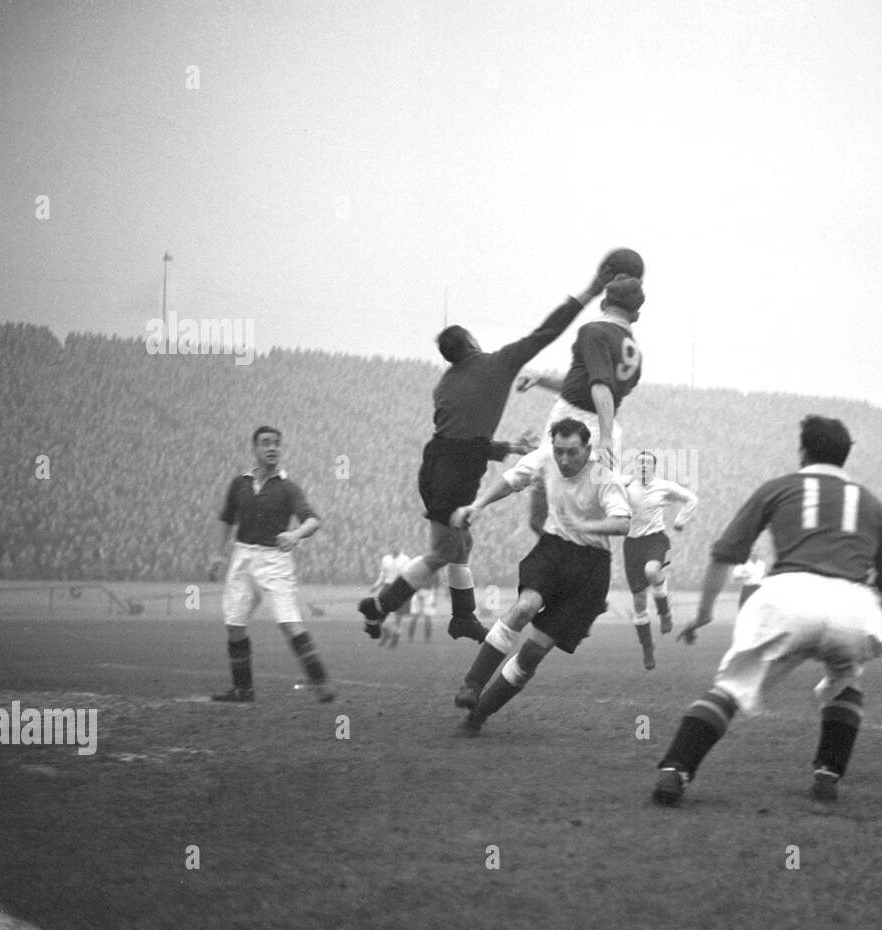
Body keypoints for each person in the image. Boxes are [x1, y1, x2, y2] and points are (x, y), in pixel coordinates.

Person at [652, 415, 882, 806]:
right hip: (853, 604)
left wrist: (704, 613)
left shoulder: (779, 488)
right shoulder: (872, 504)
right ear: (845, 456)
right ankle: (828, 775)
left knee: (732, 688)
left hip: (788, 596)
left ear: (802, 451)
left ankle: (675, 771)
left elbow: (725, 552)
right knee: (846, 678)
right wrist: (858, 631)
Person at [358, 258, 615, 645]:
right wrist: (590, 291)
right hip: (456, 470)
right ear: (473, 343)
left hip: (438, 464)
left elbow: (460, 436)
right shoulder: (497, 364)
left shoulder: (444, 385)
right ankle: (380, 605)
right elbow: (547, 331)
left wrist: (507, 447)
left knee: (462, 543)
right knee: (442, 552)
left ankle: (462, 616)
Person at [448, 418, 630, 735]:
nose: (563, 459)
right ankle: (471, 685)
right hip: (553, 551)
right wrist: (476, 506)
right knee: (523, 608)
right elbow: (510, 480)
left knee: (533, 652)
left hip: (590, 568)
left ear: (588, 449)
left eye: (572, 452)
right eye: (559, 451)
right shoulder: (544, 458)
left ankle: (478, 717)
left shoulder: (604, 476)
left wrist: (588, 527)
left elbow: (622, 523)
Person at [209, 426, 333, 703]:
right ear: (254, 449)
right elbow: (227, 519)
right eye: (266, 443)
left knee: (288, 621)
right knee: (234, 624)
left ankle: (321, 682)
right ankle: (243, 689)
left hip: (274, 560)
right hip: (242, 557)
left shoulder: (288, 488)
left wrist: (295, 535)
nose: (272, 448)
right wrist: (218, 554)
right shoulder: (239, 484)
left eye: (276, 443)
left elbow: (313, 520)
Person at [516, 273, 646, 466]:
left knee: (543, 481)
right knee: (600, 492)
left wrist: (605, 437)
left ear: (603, 304)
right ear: (636, 315)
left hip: (572, 423)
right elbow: (587, 388)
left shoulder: (594, 331)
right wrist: (540, 378)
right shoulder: (635, 352)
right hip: (606, 426)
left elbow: (600, 387)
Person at [622, 450, 698, 670]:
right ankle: (647, 648)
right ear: (635, 467)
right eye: (640, 464)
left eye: (647, 464)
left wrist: (681, 520)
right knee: (638, 601)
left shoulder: (663, 487)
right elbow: (601, 487)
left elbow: (691, 498)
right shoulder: (626, 484)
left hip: (655, 539)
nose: (643, 467)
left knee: (652, 571)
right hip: (632, 544)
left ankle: (665, 612)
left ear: (653, 468)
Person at [370, 543, 411, 647]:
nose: (394, 548)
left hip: (400, 587)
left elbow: (408, 574)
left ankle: (396, 637)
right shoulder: (386, 559)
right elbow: (383, 574)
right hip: (387, 587)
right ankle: (387, 633)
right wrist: (376, 585)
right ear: (390, 547)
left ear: (400, 548)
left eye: (396, 546)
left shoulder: (405, 559)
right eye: (392, 546)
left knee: (398, 616)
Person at [405, 571, 439, 643]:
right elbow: (413, 582)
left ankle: (427, 638)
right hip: (417, 593)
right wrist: (417, 593)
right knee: (414, 617)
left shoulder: (435, 571)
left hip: (429, 594)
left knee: (428, 618)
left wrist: (435, 599)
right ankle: (410, 637)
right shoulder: (420, 568)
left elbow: (436, 586)